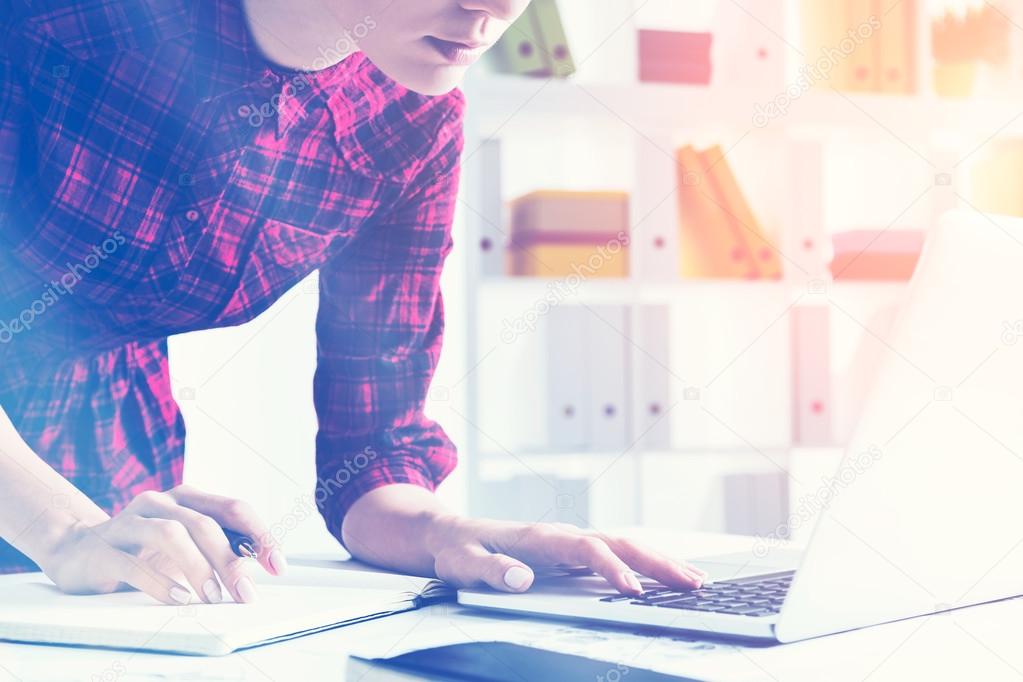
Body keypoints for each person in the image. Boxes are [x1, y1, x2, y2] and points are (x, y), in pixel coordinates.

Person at [0, 0, 705, 605]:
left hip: (114, 477)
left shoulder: (412, 123)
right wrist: (58, 529)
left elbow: (374, 448)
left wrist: (447, 534)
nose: (495, 6)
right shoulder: (53, 26)